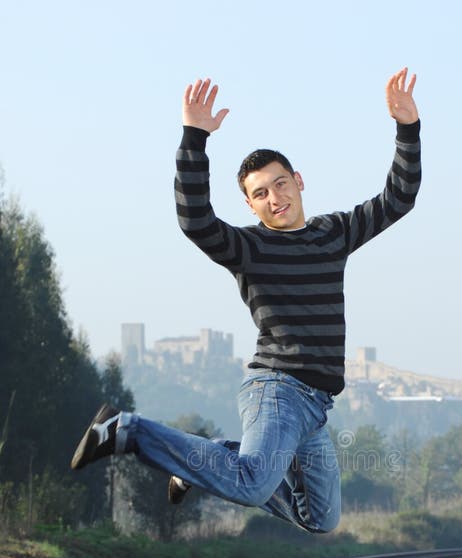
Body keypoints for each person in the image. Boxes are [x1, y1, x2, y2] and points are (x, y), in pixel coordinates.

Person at [71, 68, 421, 534]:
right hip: (277, 392)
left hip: (316, 407)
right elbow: (196, 221)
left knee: (320, 517)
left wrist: (407, 130)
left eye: (279, 184)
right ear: (251, 206)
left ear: (298, 181)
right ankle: (125, 430)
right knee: (255, 485)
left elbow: (398, 198)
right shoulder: (249, 247)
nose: (274, 197)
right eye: (260, 193)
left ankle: (205, 458)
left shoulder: (334, 232)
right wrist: (194, 139)